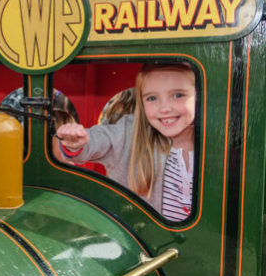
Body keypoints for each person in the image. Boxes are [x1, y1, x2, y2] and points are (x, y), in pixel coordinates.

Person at [56, 63, 196, 221]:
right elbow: (101, 138)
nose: (164, 108)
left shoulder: (219, 142)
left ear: (199, 95)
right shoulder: (131, 132)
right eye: (152, 98)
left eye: (178, 95)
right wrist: (77, 142)